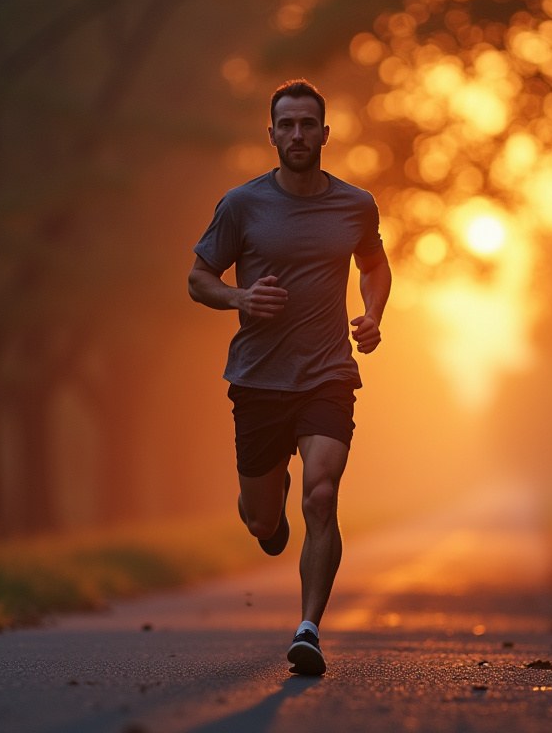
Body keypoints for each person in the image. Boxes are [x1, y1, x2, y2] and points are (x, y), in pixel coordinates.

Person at [187, 79, 391, 676]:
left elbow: (375, 266)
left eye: (308, 124)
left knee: (322, 495)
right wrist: (240, 297)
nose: (298, 134)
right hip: (257, 380)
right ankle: (269, 522)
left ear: (326, 134)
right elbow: (198, 279)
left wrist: (373, 314)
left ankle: (308, 629)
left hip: (327, 372)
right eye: (287, 125)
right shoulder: (242, 204)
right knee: (261, 520)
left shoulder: (356, 204)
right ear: (271, 134)